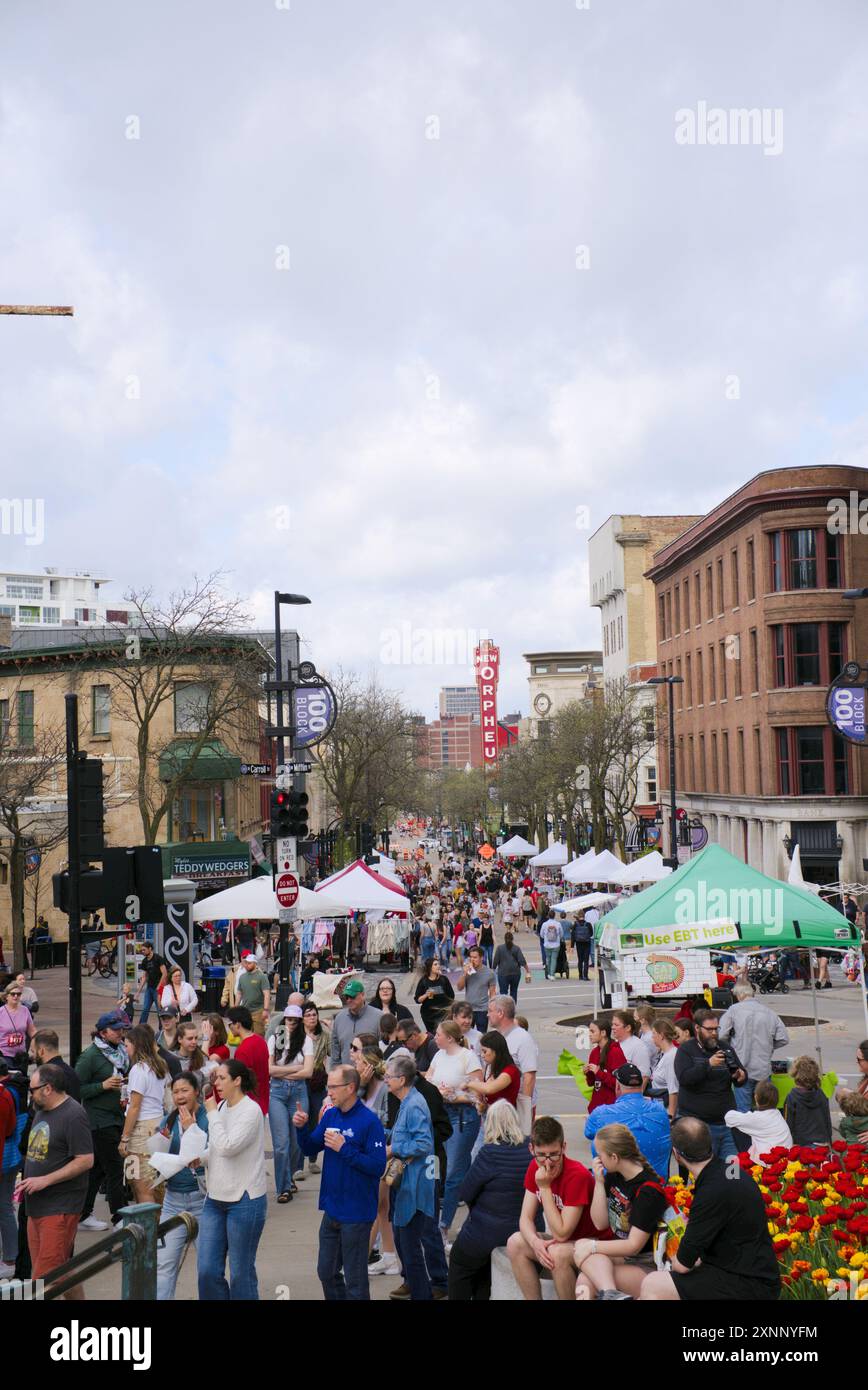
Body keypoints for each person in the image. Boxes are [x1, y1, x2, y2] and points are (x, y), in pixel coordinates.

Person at [639, 1117, 781, 1302]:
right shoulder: (731, 1172)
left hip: (747, 1284)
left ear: (676, 1154)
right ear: (709, 1144)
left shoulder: (710, 1191)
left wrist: (673, 1258)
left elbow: (682, 1265)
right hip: (757, 1271)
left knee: (653, 1284)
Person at [293, 1063, 387, 1299]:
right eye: (328, 1087)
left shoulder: (369, 1121)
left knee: (355, 1280)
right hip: (332, 1209)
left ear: (350, 1087)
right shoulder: (331, 1115)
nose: (329, 1092)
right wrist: (302, 1129)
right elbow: (310, 1148)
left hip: (357, 1213)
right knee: (326, 1272)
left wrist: (344, 1149)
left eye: (334, 1087)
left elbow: (377, 1167)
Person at [506, 1115, 607, 1301]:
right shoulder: (534, 1167)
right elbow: (525, 1218)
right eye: (541, 1155)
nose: (547, 1162)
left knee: (557, 1253)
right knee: (515, 1242)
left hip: (594, 1243)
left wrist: (545, 1188)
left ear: (564, 1147)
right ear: (531, 1149)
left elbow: (562, 1234)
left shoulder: (577, 1175)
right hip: (568, 1243)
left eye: (554, 1154)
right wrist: (535, 1242)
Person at [16, 1063, 94, 1299]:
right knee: (61, 1271)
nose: (30, 1095)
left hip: (60, 1207)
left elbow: (85, 1160)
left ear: (47, 1088)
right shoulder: (42, 1110)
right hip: (36, 1206)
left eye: (33, 1090)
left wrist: (45, 1180)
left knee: (43, 1281)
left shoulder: (73, 1115)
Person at [571, 1122, 670, 1300]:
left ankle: (610, 1293)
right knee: (582, 1249)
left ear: (614, 1157)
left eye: (599, 1155)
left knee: (585, 1279)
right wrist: (599, 1183)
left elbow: (633, 1246)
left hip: (645, 1264)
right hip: (623, 1256)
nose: (597, 1160)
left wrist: (592, 1246)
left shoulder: (648, 1192)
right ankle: (611, 1293)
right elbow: (600, 1223)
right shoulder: (615, 1175)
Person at [197, 1059, 268, 1300]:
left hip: (245, 1200)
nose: (216, 1083)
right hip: (215, 1198)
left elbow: (228, 1146)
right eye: (215, 1078)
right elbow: (217, 1148)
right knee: (207, 1270)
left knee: (240, 1273)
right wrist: (200, 1158)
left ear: (237, 1081)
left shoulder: (251, 1111)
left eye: (221, 1078)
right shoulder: (222, 1107)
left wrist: (210, 1113)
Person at [447, 1099, 530, 1301]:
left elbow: (466, 1191)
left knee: (460, 1263)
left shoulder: (490, 1152)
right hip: (525, 1230)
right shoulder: (530, 1148)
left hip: (489, 1231)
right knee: (484, 1269)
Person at [383, 1055, 442, 1301]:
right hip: (408, 1182)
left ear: (402, 1079)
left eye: (389, 1076)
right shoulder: (407, 1101)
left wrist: (393, 1148)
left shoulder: (414, 1104)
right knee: (405, 1244)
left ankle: (421, 1293)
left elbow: (424, 1143)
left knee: (411, 1249)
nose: (385, 1080)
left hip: (415, 1184)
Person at [425, 1020, 483, 1239]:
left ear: (449, 1037)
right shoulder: (438, 1056)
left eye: (438, 1034)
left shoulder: (468, 1057)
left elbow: (477, 1095)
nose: (435, 1037)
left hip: (462, 1116)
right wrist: (438, 1092)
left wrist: (454, 1095)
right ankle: (473, 1216)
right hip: (441, 1115)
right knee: (443, 1170)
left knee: (452, 1173)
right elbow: (428, 1080)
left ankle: (443, 1226)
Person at [156, 1071, 209, 1300]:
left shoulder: (209, 1118)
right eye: (175, 1092)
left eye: (184, 1090)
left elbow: (209, 1154)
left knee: (208, 1267)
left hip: (203, 1200)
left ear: (196, 1092)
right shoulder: (168, 1120)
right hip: (173, 1201)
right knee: (163, 1264)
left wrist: (191, 1130)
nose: (179, 1096)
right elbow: (159, 1154)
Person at [75, 1010, 130, 1232]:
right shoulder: (90, 1056)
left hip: (116, 1116)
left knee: (97, 1169)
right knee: (115, 1168)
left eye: (121, 1029)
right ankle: (119, 1218)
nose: (120, 1033)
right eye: (115, 1030)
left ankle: (83, 1214)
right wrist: (102, 1086)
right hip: (99, 1121)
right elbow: (77, 1088)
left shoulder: (121, 1051)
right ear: (103, 1032)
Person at [673, 1009, 746, 1160]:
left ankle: (731, 1176)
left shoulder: (725, 1047)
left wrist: (740, 1076)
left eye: (716, 1029)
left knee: (732, 1168)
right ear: (697, 1028)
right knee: (707, 1169)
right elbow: (685, 1079)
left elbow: (740, 1076)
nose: (714, 1033)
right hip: (699, 1127)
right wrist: (708, 1064)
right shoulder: (686, 1050)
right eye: (709, 1029)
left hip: (726, 1124)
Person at [584, 1064, 672, 1179]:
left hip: (614, 1185)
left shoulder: (600, 1113)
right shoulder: (660, 1110)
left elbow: (588, 1133)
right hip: (658, 1183)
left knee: (599, 1142)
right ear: (641, 1087)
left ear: (618, 1087)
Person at [718, 983, 789, 1112]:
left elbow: (721, 1035)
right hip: (763, 1069)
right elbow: (783, 1038)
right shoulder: (769, 1012)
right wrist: (769, 1047)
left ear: (739, 995)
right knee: (765, 1110)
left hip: (741, 1068)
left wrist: (731, 1048)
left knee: (743, 1112)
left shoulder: (734, 1010)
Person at [119, 1024, 169, 1205]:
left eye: (127, 1045)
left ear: (136, 1044)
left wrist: (125, 1138)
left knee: (142, 1187)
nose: (126, 1049)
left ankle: (147, 1223)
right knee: (157, 1184)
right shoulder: (160, 1065)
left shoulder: (138, 1070)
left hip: (141, 1131)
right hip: (158, 1126)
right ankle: (161, 1220)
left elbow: (134, 1107)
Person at [268, 1004, 313, 1202]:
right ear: (284, 1019)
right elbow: (270, 1069)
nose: (291, 1024)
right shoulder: (275, 1038)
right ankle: (283, 1187)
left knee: (296, 1143)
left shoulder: (306, 1040)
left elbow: (308, 1071)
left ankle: (290, 1176)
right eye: (288, 1019)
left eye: (295, 1020)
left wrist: (282, 1071)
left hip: (298, 1092)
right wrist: (296, 1069)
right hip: (277, 1092)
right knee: (281, 1144)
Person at [487, 995, 539, 1134]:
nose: (487, 1014)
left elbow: (529, 1076)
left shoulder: (523, 1039)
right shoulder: (495, 1035)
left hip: (515, 1106)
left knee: (518, 1142)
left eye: (490, 1010)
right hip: (498, 1106)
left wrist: (524, 1112)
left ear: (500, 1013)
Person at [0, 1059, 28, 1278]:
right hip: (10, 1158)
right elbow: (10, 1128)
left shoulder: (4, 1095)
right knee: (6, 1206)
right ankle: (10, 1255)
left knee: (4, 1207)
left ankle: (10, 1257)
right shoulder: (14, 1090)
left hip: (4, 1159)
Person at [724, 1079, 793, 1162]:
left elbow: (728, 1117)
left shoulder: (757, 1118)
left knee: (736, 1127)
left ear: (756, 1097)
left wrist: (747, 1115)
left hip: (769, 1163)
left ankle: (745, 1159)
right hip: (785, 1159)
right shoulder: (777, 1114)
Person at [301, 1001, 330, 1173]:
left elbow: (333, 1052)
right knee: (302, 1118)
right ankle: (298, 1164)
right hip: (300, 1081)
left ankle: (312, 1159)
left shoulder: (323, 1035)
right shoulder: (297, 1035)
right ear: (302, 1018)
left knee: (317, 1118)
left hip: (318, 1081)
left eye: (314, 1014)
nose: (312, 1018)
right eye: (308, 1015)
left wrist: (332, 1028)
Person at [226, 1007, 270, 1116]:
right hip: (263, 1101)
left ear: (237, 1024)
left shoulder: (243, 1050)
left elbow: (240, 1082)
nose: (229, 1028)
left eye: (230, 1024)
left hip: (248, 1105)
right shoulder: (261, 1041)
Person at [465, 1030, 521, 1111]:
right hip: (490, 1114)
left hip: (504, 1115)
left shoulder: (510, 1071)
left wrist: (468, 1083)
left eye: (485, 1051)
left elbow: (489, 1089)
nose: (482, 1055)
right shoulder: (490, 1067)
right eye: (481, 1051)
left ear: (496, 1051)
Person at [783, 1055, 833, 1146]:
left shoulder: (792, 1097)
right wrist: (829, 1142)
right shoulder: (821, 1094)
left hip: (801, 1144)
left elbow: (788, 1124)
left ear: (795, 1074)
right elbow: (827, 1120)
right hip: (821, 1143)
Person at [330, 980, 383, 1065]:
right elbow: (335, 1052)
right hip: (346, 1071)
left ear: (362, 995)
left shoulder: (378, 1017)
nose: (349, 1000)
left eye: (352, 996)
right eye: (346, 997)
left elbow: (383, 1048)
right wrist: (334, 1069)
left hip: (370, 1071)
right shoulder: (339, 1018)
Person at [31, 1030, 80, 1102]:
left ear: (41, 1051)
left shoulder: (45, 1077)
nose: (32, 1056)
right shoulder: (71, 1072)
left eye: (33, 1051)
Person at [456, 946, 497, 1033]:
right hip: (468, 1008)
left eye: (475, 957)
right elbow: (459, 987)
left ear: (481, 958)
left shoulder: (489, 973)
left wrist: (492, 1009)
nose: (472, 960)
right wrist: (464, 974)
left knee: (481, 1035)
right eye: (470, 957)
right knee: (466, 1034)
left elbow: (492, 992)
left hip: (482, 1009)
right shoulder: (467, 970)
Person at [0, 981, 36, 1071]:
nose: (16, 996)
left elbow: (32, 1030)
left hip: (21, 1055)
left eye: (18, 994)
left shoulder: (25, 1010)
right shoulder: (1, 1012)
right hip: (4, 1054)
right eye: (13, 994)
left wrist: (37, 1041)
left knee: (22, 1078)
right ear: (7, 996)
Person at [647, 1018, 680, 1118]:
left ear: (661, 1036)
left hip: (666, 1110)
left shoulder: (671, 1057)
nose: (652, 1037)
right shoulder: (665, 1054)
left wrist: (670, 1117)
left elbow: (673, 1090)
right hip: (659, 1106)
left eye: (654, 1033)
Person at [413, 958, 455, 1033]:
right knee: (433, 1035)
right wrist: (426, 995)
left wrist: (447, 1006)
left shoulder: (443, 979)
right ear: (430, 967)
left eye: (438, 964)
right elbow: (417, 1000)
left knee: (442, 1033)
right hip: (428, 1014)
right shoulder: (424, 981)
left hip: (443, 1013)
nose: (438, 966)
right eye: (435, 964)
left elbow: (451, 995)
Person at [233, 953, 271, 1035]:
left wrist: (265, 1009)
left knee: (259, 1034)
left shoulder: (262, 976)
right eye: (246, 962)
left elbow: (267, 994)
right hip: (245, 1011)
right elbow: (239, 993)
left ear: (255, 963)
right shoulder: (242, 977)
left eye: (250, 963)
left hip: (258, 1010)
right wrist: (236, 1007)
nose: (247, 965)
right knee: (246, 1034)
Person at [610, 1010, 652, 1080]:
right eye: (612, 1024)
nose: (612, 1027)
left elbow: (644, 1076)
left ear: (628, 1028)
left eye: (616, 1025)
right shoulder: (614, 1044)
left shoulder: (638, 1046)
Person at [491, 931, 531, 1002]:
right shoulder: (516, 948)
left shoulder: (500, 948)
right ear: (512, 939)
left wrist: (493, 969)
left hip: (503, 973)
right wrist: (527, 970)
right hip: (515, 972)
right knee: (514, 991)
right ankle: (513, 1006)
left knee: (503, 992)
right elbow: (522, 960)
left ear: (504, 939)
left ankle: (504, 1006)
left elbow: (495, 961)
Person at [136, 942, 168, 1026]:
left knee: (159, 1009)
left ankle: (162, 1028)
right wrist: (138, 992)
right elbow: (144, 977)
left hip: (158, 989)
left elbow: (164, 973)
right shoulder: (144, 961)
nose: (142, 951)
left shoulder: (158, 958)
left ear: (150, 948)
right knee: (145, 1009)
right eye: (142, 950)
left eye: (144, 950)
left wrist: (159, 986)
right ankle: (141, 1027)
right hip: (149, 988)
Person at [633, 1006, 662, 1071]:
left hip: (649, 1073)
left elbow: (643, 1060)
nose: (633, 1020)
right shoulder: (644, 1034)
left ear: (642, 1020)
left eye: (635, 1017)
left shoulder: (649, 1038)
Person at [539, 914, 564, 980]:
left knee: (548, 959)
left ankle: (549, 973)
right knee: (554, 959)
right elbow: (561, 934)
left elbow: (541, 935)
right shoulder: (558, 924)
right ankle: (552, 974)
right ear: (554, 916)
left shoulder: (544, 924)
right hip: (556, 944)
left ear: (548, 916)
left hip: (547, 944)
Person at [571, 913, 593, 981]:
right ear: (584, 916)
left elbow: (573, 935)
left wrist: (572, 946)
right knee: (586, 960)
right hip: (587, 944)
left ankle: (580, 976)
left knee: (580, 960)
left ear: (578, 916)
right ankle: (585, 976)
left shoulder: (575, 924)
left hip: (579, 944)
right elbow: (591, 933)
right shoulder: (588, 924)